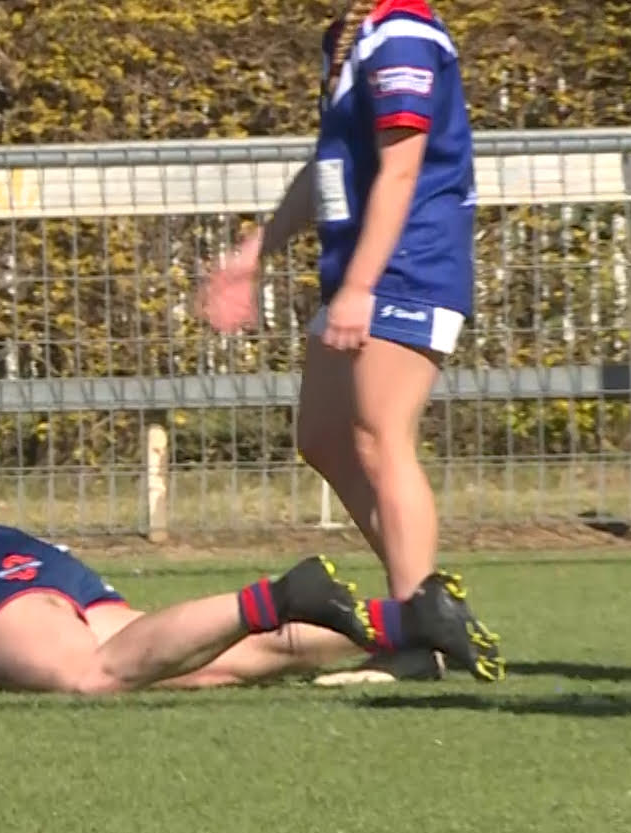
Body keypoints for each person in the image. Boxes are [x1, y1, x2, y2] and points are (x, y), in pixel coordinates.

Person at [0, 354, 498, 694]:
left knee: (94, 677)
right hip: (18, 562)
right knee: (201, 666)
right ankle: (404, 626)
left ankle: (284, 594)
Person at [199, 0, 503, 685]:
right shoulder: (345, 39)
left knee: (379, 434)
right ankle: (424, 605)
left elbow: (401, 171)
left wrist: (362, 285)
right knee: (325, 435)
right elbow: (326, 170)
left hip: (406, 270)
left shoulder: (402, 32)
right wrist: (254, 253)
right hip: (363, 274)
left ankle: (418, 635)